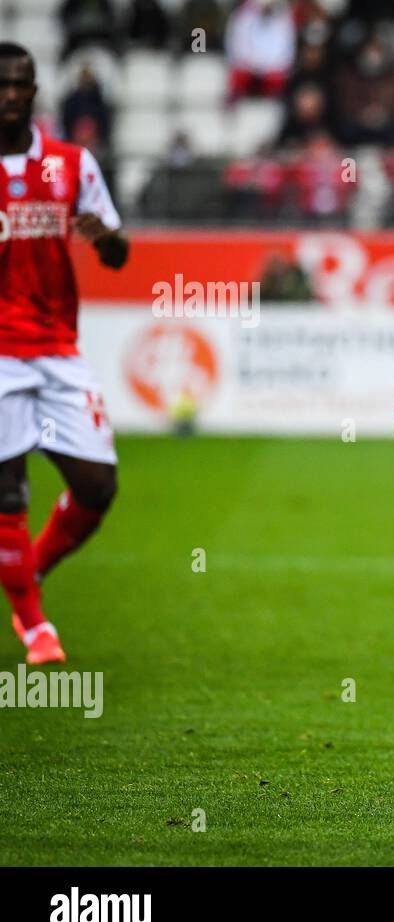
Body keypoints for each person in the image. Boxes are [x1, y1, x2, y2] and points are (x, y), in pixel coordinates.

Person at [0, 43, 129, 665]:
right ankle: (33, 626)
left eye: (21, 84)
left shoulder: (70, 163)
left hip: (56, 348)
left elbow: (116, 248)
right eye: (2, 84)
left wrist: (108, 242)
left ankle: (30, 570)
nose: (10, 95)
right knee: (9, 489)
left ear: (35, 91)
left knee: (98, 485)